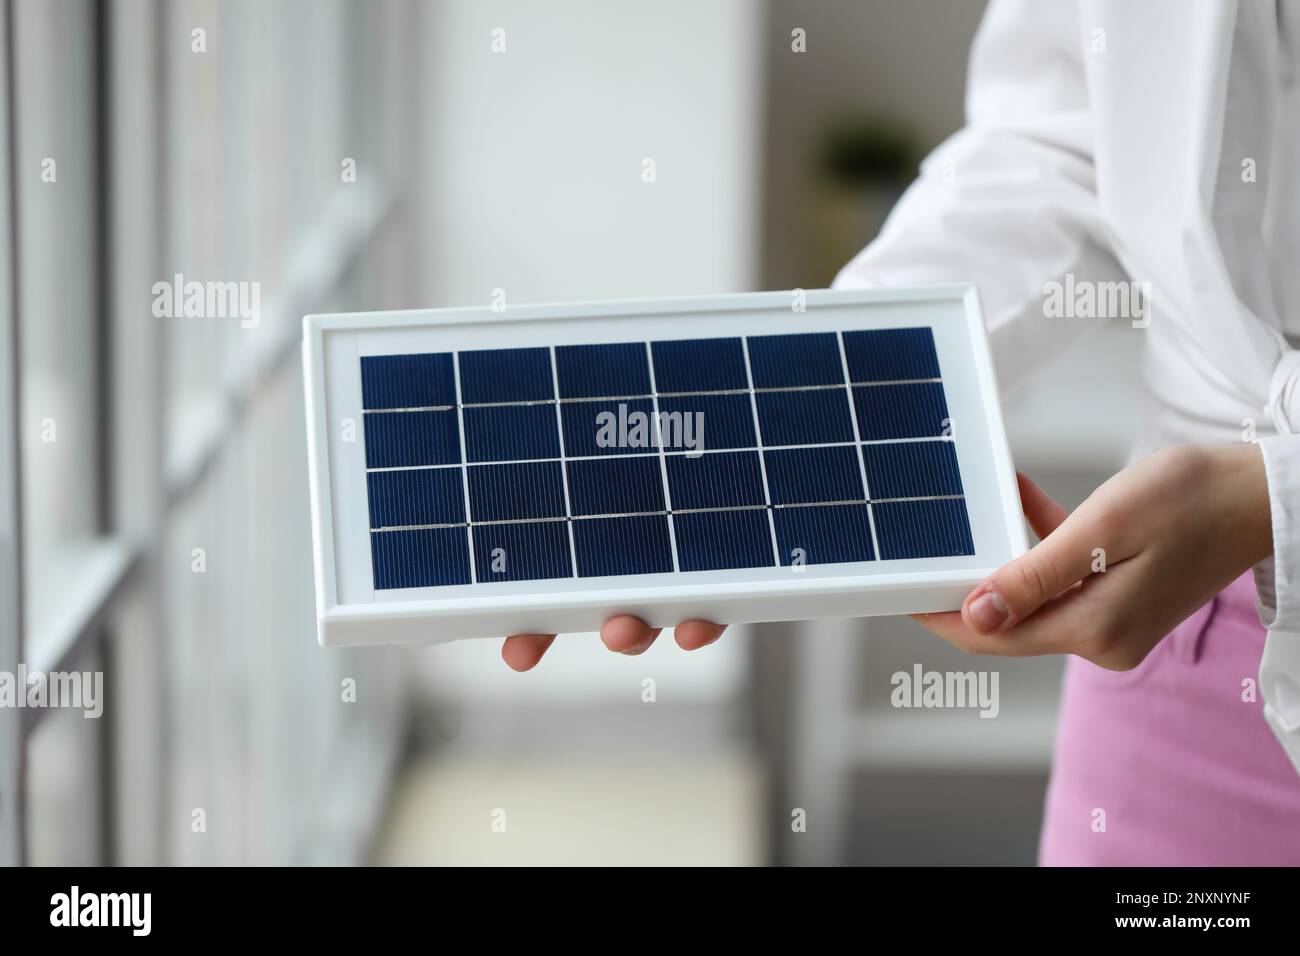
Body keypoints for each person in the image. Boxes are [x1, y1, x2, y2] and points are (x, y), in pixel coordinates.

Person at [501, 0, 1300, 865]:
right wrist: (794, 394)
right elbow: (1062, 143)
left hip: (1200, 541)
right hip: (1190, 626)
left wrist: (1276, 496)